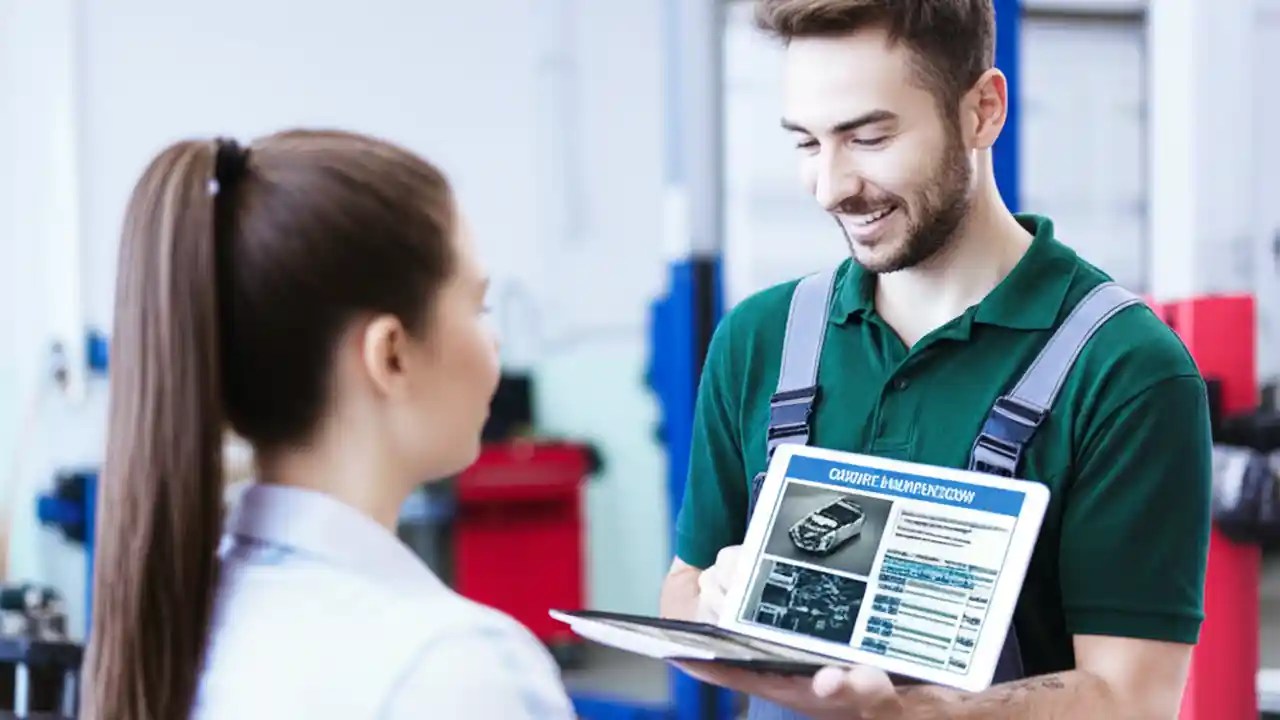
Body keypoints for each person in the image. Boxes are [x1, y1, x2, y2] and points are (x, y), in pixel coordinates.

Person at [658, 1, 1212, 718]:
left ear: (982, 110)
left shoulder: (1125, 370)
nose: (830, 187)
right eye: (806, 143)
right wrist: (716, 599)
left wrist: (917, 713)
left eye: (868, 137)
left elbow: (1130, 697)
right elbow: (682, 588)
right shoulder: (759, 339)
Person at [81, 130, 577, 720]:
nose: (492, 338)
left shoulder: (183, 623)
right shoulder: (454, 670)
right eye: (477, 307)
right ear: (390, 354)